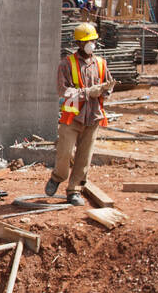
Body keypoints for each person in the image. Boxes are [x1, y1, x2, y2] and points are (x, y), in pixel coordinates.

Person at [46, 22, 114, 206]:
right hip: (72, 117)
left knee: (84, 157)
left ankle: (74, 190)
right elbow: (63, 91)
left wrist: (105, 90)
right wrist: (87, 92)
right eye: (87, 41)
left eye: (92, 40)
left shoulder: (101, 63)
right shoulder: (67, 64)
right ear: (79, 43)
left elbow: (108, 84)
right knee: (65, 153)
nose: (91, 44)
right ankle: (57, 177)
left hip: (93, 117)